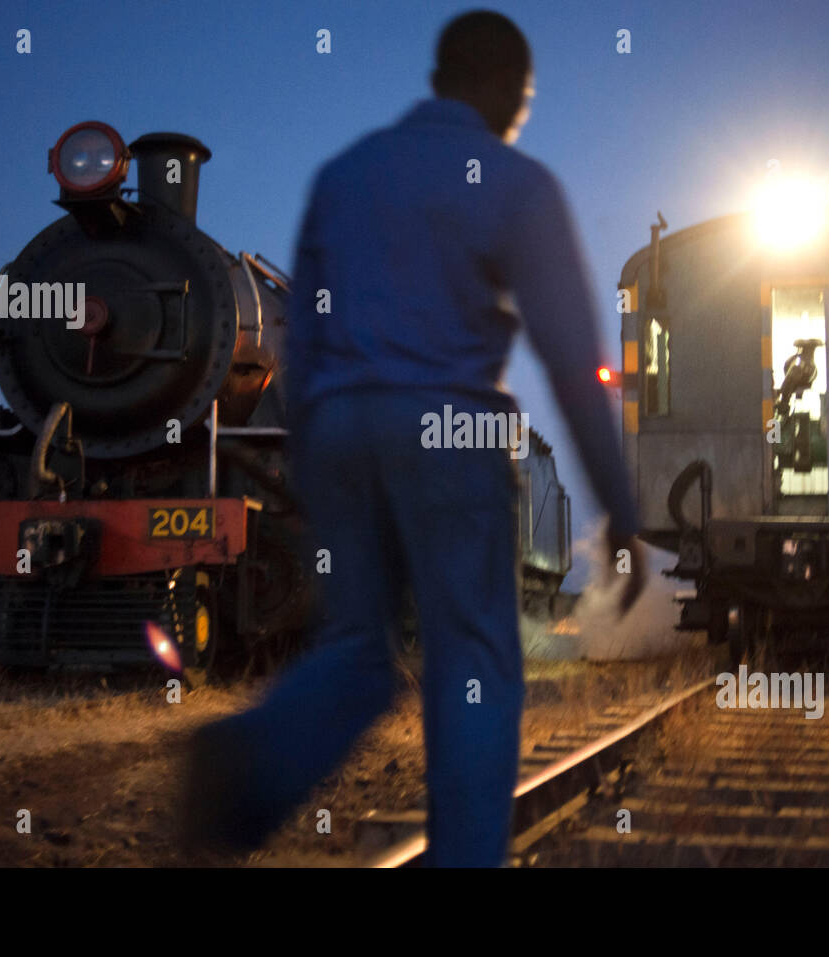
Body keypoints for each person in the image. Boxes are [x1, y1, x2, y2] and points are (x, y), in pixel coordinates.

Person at [181, 9, 645, 866]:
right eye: (525, 99)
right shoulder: (515, 181)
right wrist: (620, 504)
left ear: (436, 78)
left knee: (357, 647)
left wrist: (315, 453)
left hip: (336, 430)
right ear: (509, 89)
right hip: (449, 427)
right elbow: (572, 354)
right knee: (472, 656)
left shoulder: (342, 175)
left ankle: (248, 758)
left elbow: (303, 347)